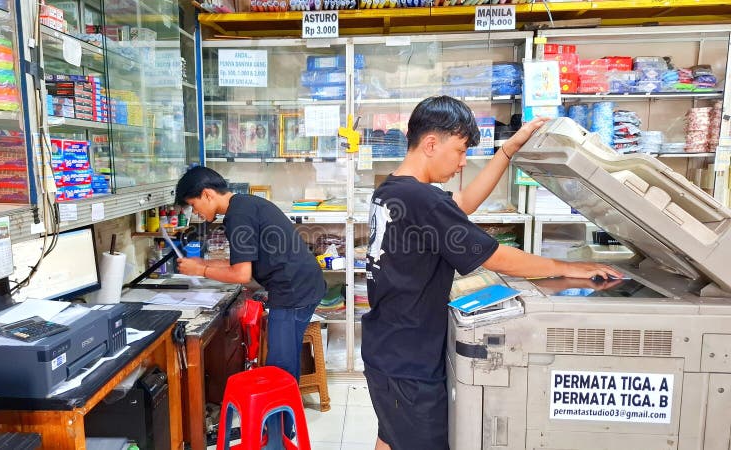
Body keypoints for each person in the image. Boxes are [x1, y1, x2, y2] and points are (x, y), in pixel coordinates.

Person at [363, 95, 622, 450]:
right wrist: (568, 268)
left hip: (387, 349)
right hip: (410, 360)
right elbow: (495, 256)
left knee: (391, 436)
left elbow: (462, 205)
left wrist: (507, 152)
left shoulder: (393, 190)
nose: (462, 162)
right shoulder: (423, 200)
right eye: (460, 150)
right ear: (431, 143)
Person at [175, 166, 326, 384]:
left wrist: (201, 270)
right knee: (286, 360)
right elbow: (241, 261)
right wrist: (204, 262)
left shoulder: (238, 216)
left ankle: (281, 417)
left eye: (193, 205)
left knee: (280, 367)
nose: (195, 212)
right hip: (303, 285)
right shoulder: (244, 205)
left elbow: (241, 274)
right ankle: (286, 413)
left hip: (292, 292)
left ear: (207, 194)